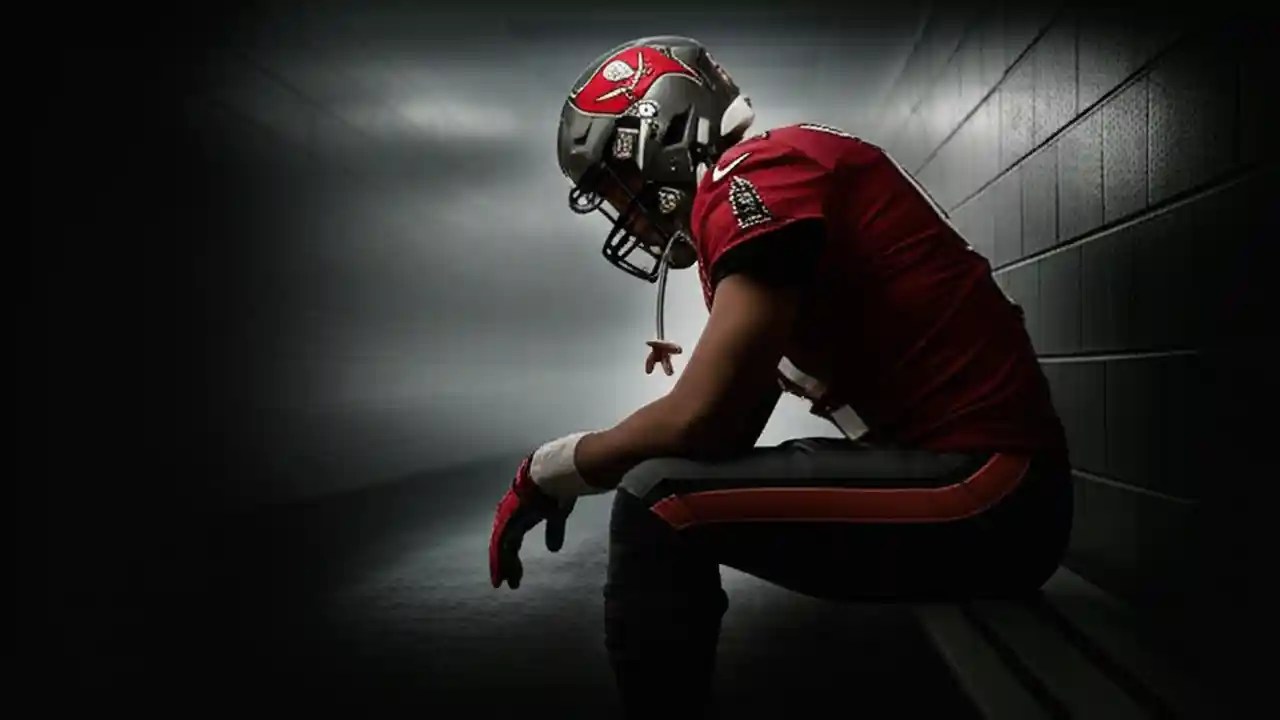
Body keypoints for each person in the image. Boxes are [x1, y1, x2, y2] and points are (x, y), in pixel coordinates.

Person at [489, 35, 1072, 717]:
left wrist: (547, 470)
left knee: (660, 503)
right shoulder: (767, 180)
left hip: (992, 490)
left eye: (614, 185)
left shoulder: (755, 176)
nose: (623, 212)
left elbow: (697, 418)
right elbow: (723, 429)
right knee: (666, 489)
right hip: (989, 485)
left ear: (662, 134)